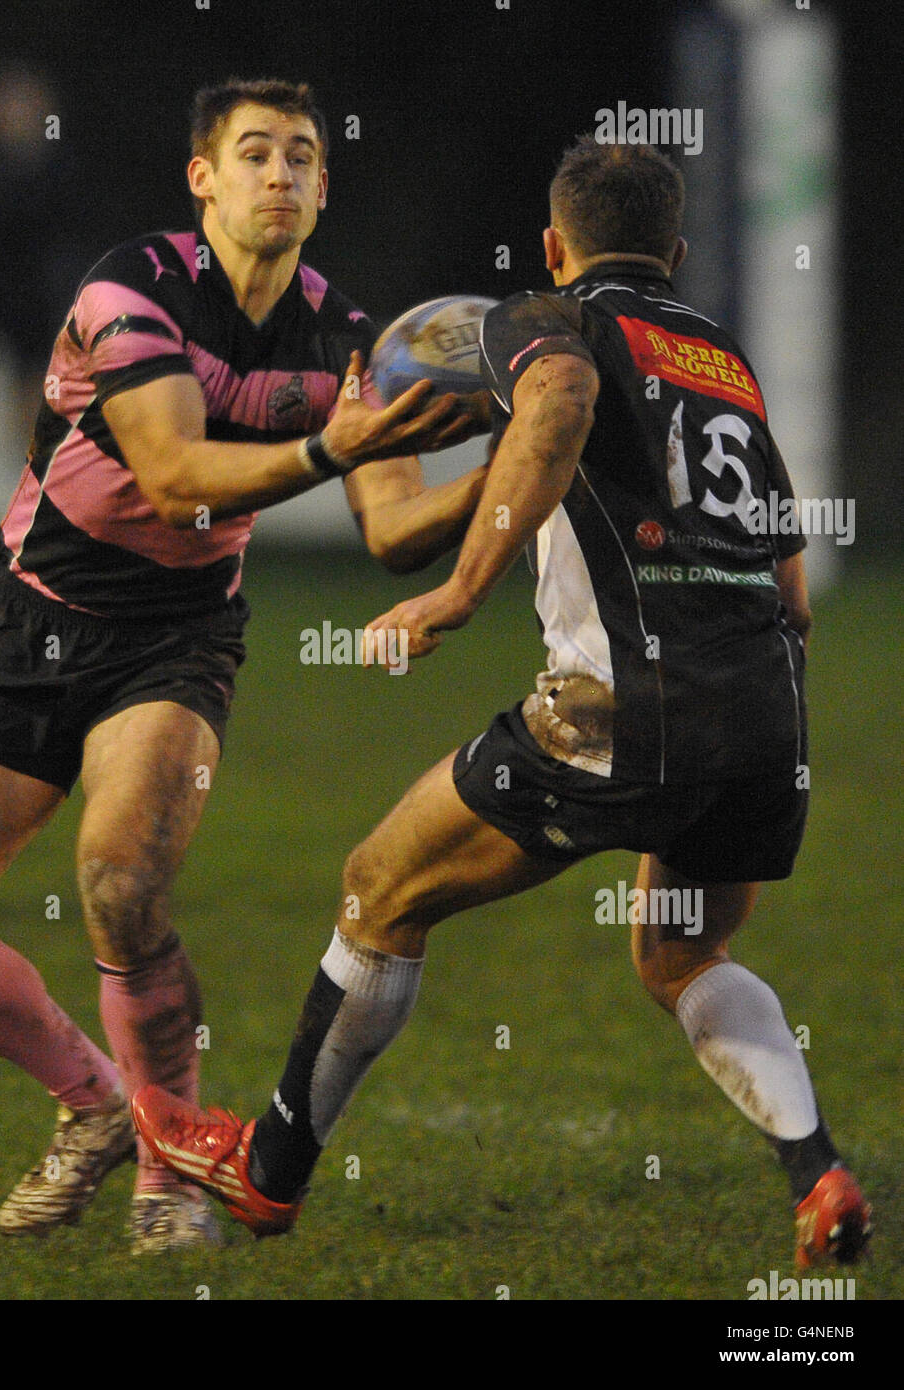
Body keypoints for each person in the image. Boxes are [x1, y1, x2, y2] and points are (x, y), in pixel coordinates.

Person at [134, 136, 872, 1270]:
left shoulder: (549, 321)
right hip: (766, 709)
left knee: (380, 888)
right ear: (674, 251)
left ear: (552, 245)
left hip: (619, 708)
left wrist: (460, 590)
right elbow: (786, 559)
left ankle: (268, 1173)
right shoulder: (719, 351)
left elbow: (562, 397)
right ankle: (815, 1171)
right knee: (679, 958)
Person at [0, 77, 488, 1255]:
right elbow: (172, 473)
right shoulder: (129, 290)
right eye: (254, 153)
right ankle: (95, 1105)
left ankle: (171, 1172)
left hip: (176, 638)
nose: (280, 176)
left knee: (122, 885)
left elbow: (394, 527)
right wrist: (329, 442)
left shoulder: (353, 341)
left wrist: (507, 453)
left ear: (321, 186)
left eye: (303, 157)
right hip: (30, 618)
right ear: (202, 178)